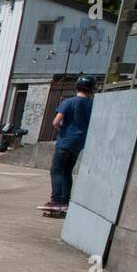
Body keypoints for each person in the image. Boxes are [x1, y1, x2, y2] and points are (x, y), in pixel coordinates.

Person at [41, 77, 95, 213]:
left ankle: (57, 201)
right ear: (91, 89)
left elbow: (55, 122)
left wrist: (61, 129)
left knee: (56, 170)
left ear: (76, 87)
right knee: (67, 172)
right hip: (79, 143)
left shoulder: (69, 102)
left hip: (65, 142)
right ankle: (65, 201)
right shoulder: (92, 104)